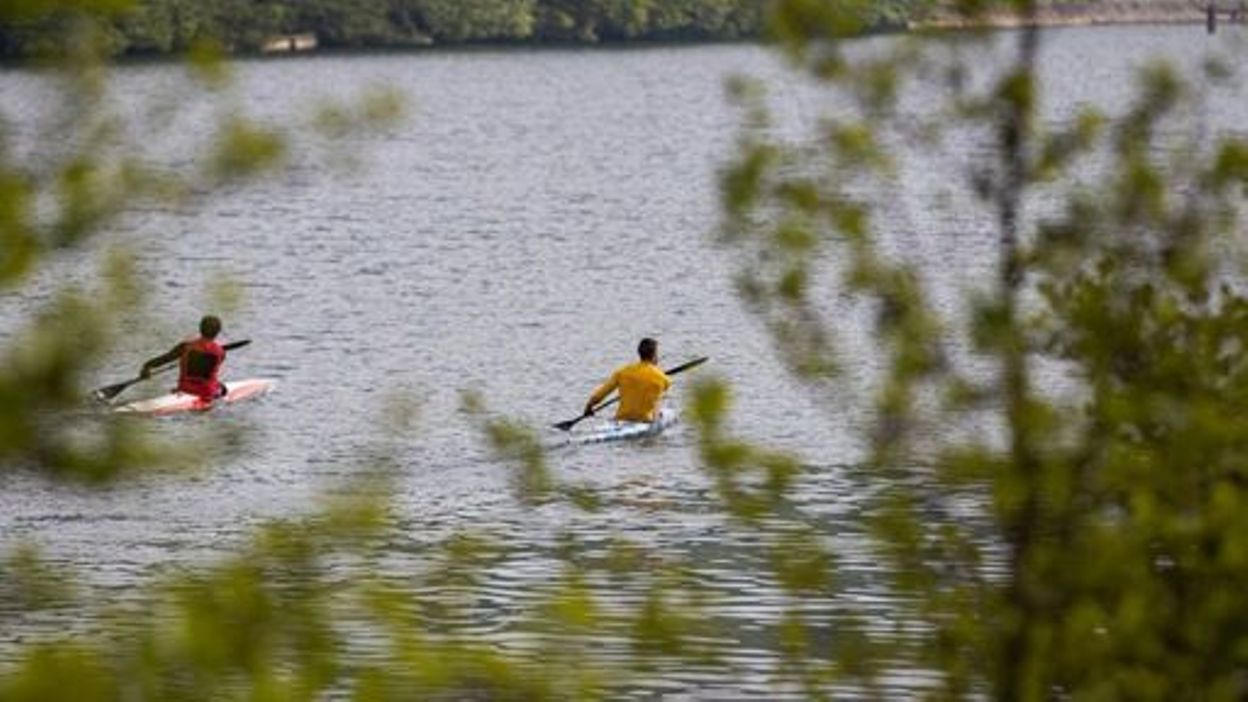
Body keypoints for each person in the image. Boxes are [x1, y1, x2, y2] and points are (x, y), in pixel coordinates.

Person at [584, 337, 672, 423]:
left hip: (621, 419)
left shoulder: (622, 372)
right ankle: (654, 420)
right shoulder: (662, 378)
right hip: (645, 421)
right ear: (654, 355)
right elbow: (661, 391)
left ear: (639, 353)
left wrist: (589, 406)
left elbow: (602, 392)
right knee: (659, 401)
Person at [140, 315, 227, 399]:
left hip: (185, 389)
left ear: (200, 329)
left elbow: (165, 359)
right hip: (207, 392)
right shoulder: (221, 352)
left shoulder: (185, 347)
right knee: (221, 387)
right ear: (217, 332)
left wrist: (147, 366)